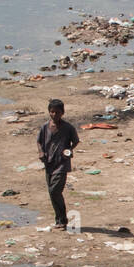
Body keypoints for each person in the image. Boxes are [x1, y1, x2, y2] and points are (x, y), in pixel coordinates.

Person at [37, 98, 79, 230]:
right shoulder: (45, 127)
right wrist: (40, 152)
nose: (54, 115)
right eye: (52, 112)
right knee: (52, 193)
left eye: (57, 112)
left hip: (62, 164)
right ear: (49, 112)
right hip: (49, 163)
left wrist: (69, 150)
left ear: (62, 112)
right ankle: (59, 220)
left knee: (54, 191)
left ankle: (63, 220)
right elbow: (39, 141)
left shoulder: (68, 128)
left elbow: (76, 141)